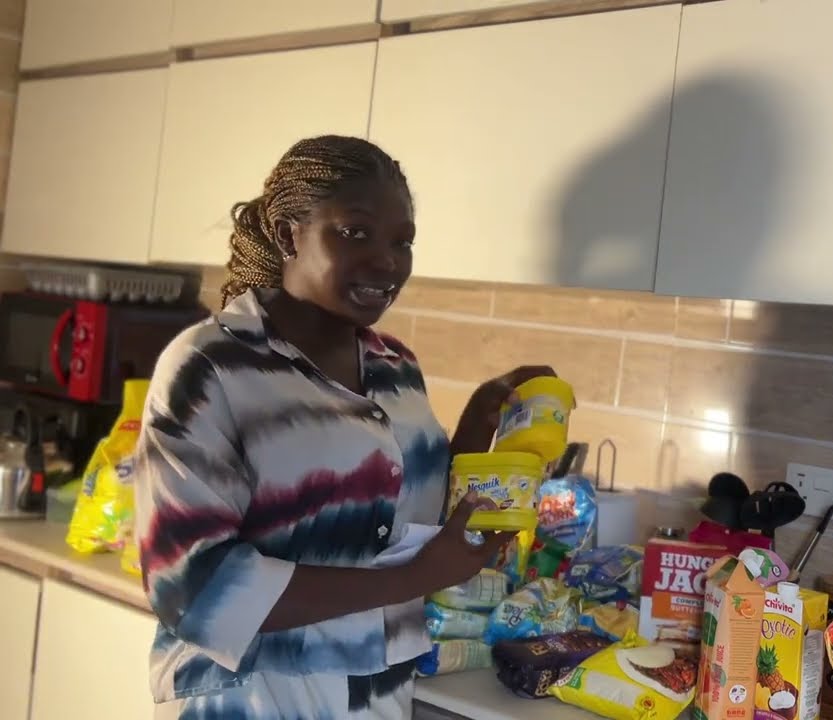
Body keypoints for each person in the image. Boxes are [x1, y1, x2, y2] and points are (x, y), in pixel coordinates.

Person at [134, 135, 555, 719]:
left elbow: (401, 527)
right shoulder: (211, 366)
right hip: (252, 700)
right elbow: (193, 588)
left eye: (402, 241)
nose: (387, 261)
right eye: (355, 232)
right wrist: (413, 578)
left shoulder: (396, 367)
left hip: (378, 696)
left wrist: (477, 424)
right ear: (289, 236)